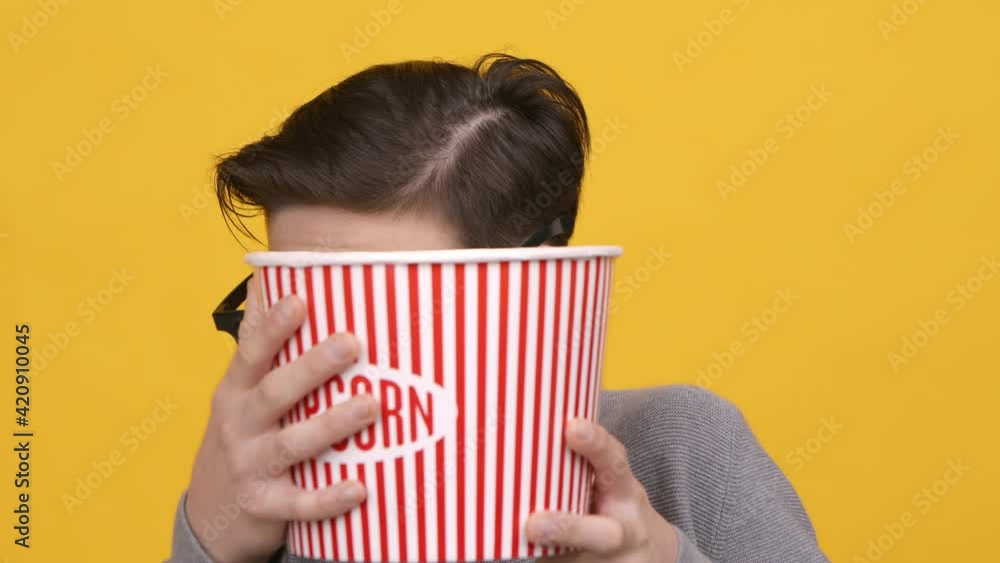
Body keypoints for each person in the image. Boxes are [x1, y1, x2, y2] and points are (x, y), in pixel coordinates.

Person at [169, 53, 829, 563]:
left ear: (532, 292)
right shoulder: (264, 492)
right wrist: (207, 538)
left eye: (380, 319)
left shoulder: (677, 450)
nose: (328, 371)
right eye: (293, 312)